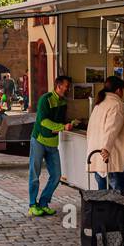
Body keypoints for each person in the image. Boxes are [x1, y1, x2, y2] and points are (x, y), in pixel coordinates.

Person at [86, 75, 124, 204]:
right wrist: (106, 148)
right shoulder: (116, 104)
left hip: (98, 159)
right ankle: (118, 224)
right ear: (119, 90)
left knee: (104, 198)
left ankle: (106, 223)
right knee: (122, 197)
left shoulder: (100, 103)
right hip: (111, 159)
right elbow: (111, 129)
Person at [28, 74, 73, 217]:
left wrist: (69, 124)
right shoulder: (45, 99)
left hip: (53, 143)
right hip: (39, 140)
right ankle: (32, 205)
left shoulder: (63, 102)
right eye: (67, 86)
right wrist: (62, 127)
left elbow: (59, 122)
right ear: (58, 86)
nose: (68, 89)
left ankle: (43, 203)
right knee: (35, 174)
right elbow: (43, 121)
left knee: (56, 175)